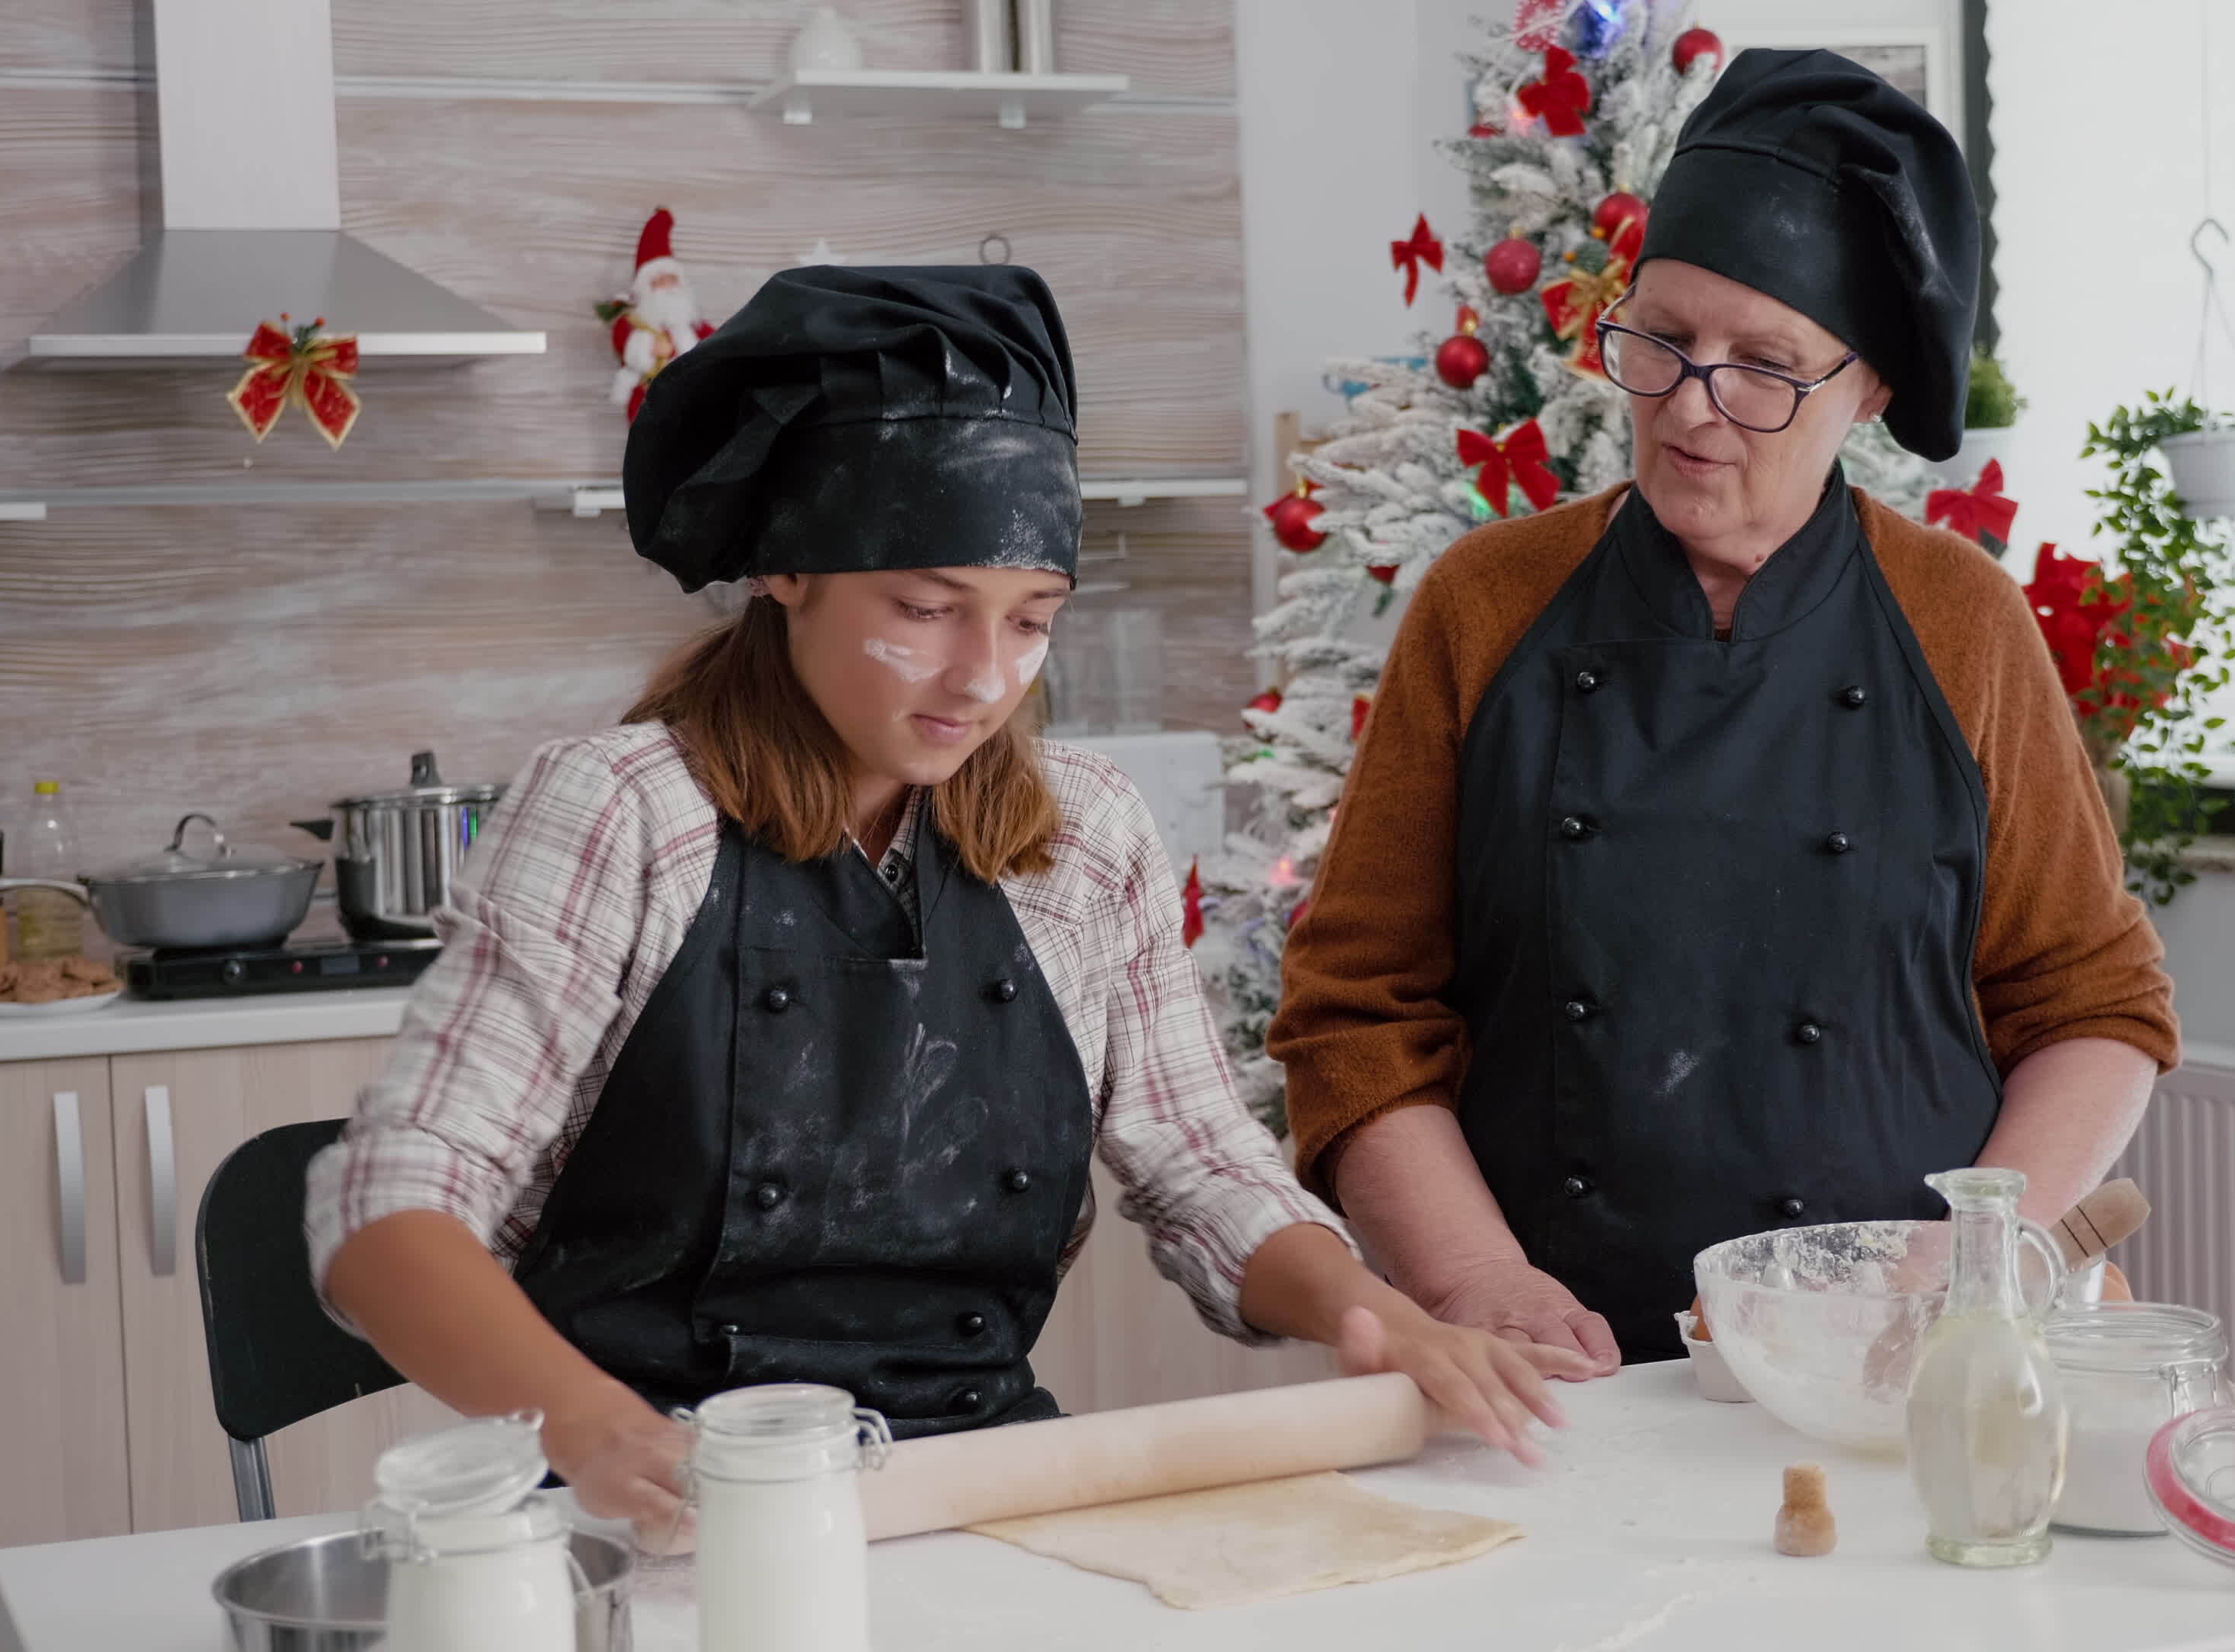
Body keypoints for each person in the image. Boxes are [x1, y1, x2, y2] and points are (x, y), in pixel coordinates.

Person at [309, 265, 1582, 1543]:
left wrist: (1376, 1314)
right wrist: (586, 1425)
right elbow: (390, 1203)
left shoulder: (1086, 836)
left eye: (1031, 621)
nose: (983, 678)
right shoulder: (625, 812)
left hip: (976, 1483)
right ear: (785, 571)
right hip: (657, 1498)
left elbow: (1200, 1161)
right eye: (926, 609)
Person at [1270, 51, 2181, 1371]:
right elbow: (1356, 1015)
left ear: (1868, 388)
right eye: (1662, 340)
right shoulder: (1486, 603)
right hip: (1559, 1363)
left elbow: (2092, 1000)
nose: (1693, 405)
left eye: (1765, 365)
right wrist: (1476, 1281)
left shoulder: (1961, 618)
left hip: (1904, 1355)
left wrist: (1972, 1262)